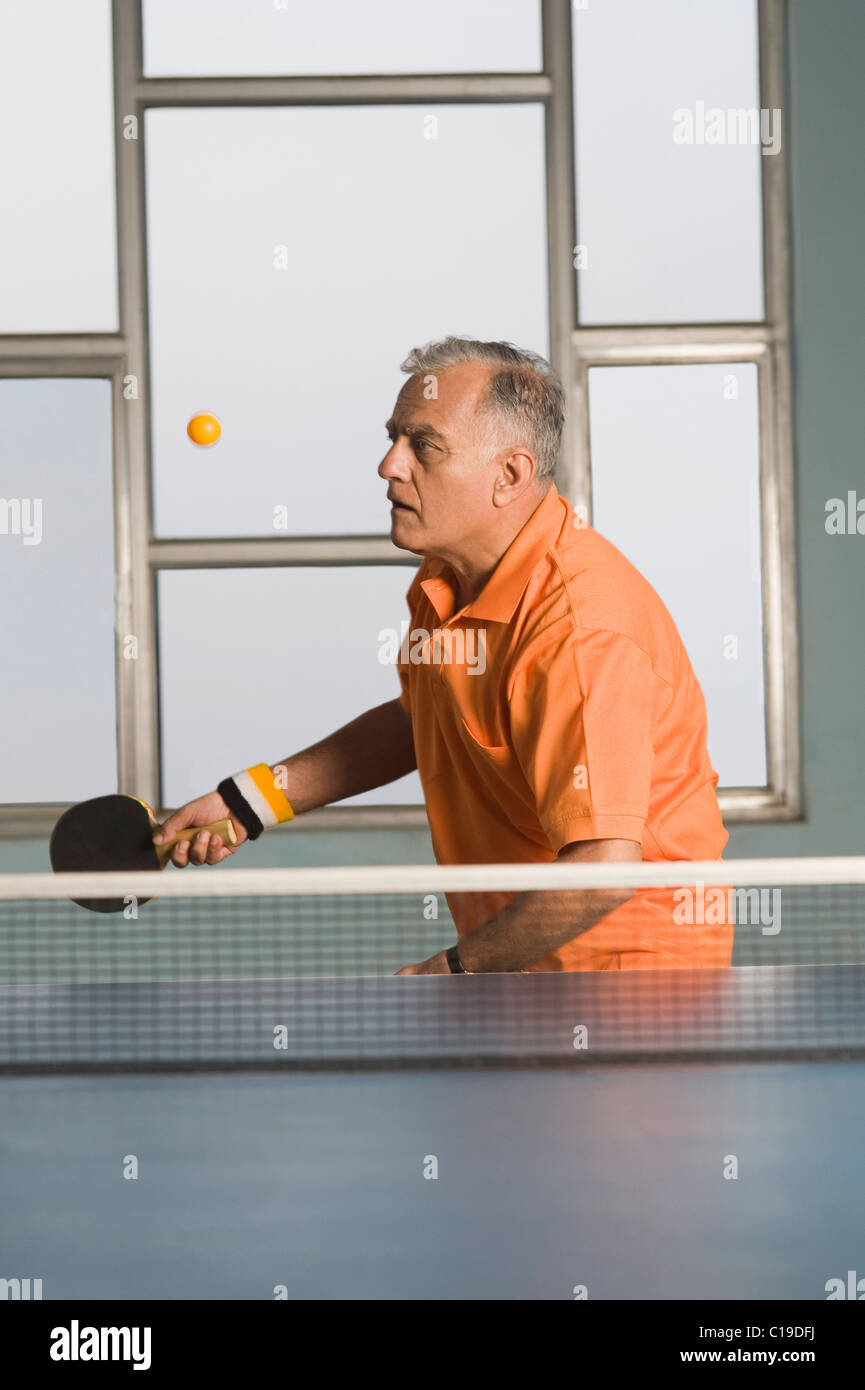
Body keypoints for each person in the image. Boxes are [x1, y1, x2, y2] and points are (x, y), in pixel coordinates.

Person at [156, 336, 730, 974]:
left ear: (508, 475)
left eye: (422, 445)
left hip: (624, 982)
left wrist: (451, 971)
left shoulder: (581, 631)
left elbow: (603, 870)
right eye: (394, 438)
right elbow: (421, 719)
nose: (388, 465)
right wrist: (248, 803)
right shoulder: (445, 579)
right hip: (518, 966)